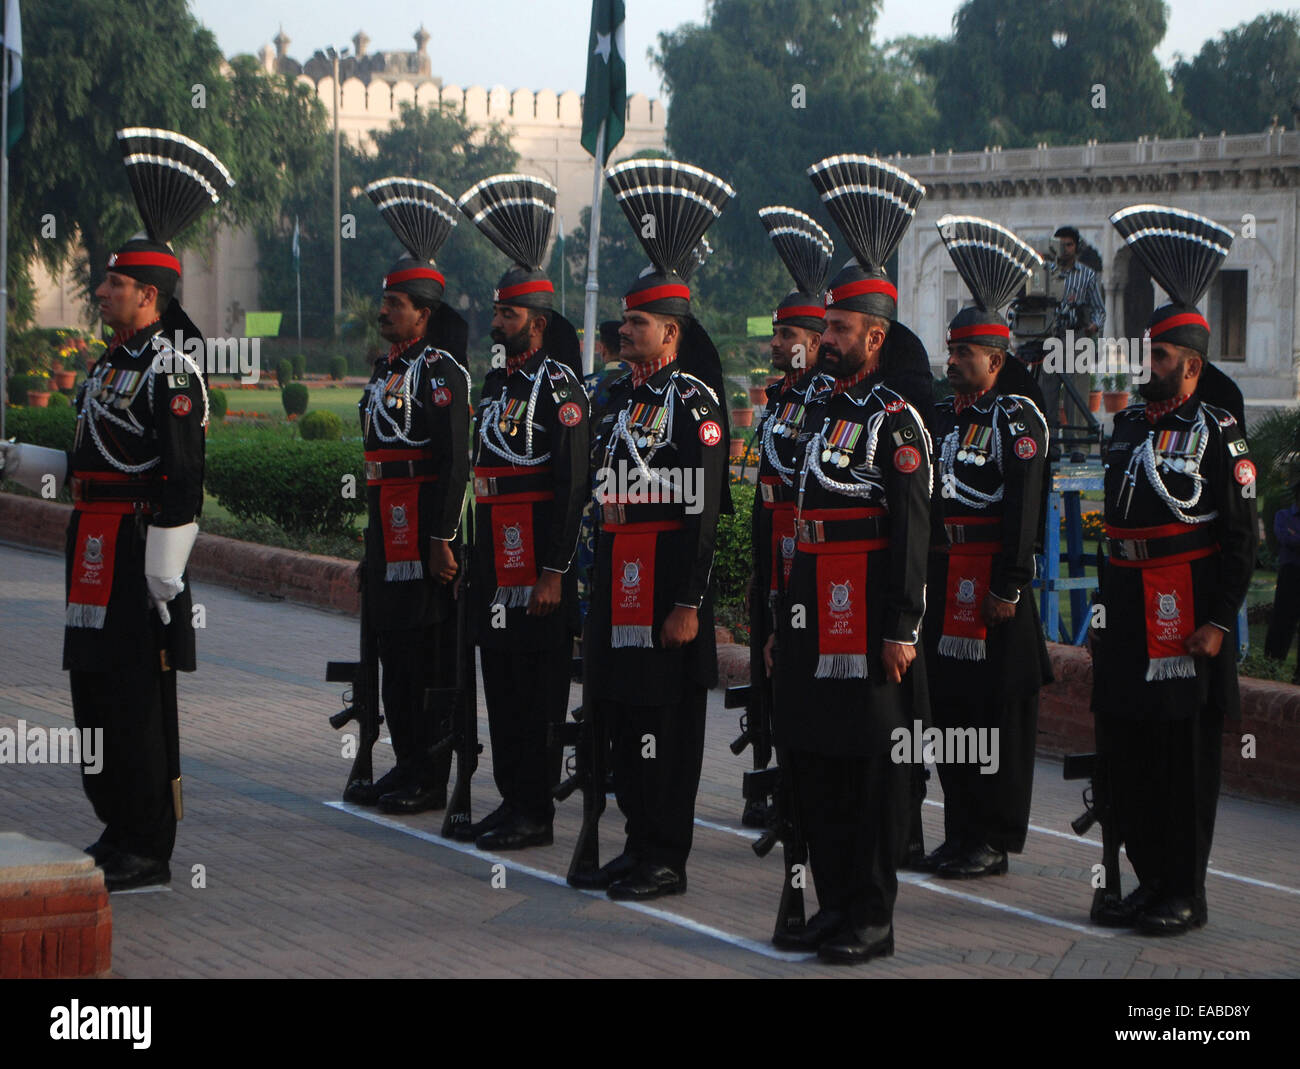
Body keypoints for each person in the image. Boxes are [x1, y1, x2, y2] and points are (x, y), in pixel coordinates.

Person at [0, 128, 232, 891]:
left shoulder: (172, 369)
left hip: (136, 551)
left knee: (136, 696)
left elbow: (183, 476)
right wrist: (20, 461)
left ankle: (149, 842)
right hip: (91, 544)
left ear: (148, 295)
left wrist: (167, 568)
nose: (100, 293)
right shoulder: (106, 367)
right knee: (93, 691)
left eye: (113, 283)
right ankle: (116, 822)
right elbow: (91, 464)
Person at [766, 154, 932, 963]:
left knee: (869, 766)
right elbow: (797, 520)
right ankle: (833, 904)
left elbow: (911, 531)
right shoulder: (817, 411)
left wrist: (902, 625)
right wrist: (780, 619)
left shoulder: (896, 420)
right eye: (823, 328)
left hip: (868, 617)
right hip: (812, 610)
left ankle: (871, 914)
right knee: (818, 758)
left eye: (836, 330)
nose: (822, 341)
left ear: (875, 335)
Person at [1090, 203, 1256, 934]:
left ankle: (1184, 892)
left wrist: (1220, 619)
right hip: (1130, 613)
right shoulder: (1128, 425)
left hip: (1188, 615)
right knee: (1131, 755)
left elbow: (1242, 537)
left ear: (1191, 365)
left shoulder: (1220, 434)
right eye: (1146, 354)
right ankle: (1149, 879)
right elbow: (1113, 530)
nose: (1147, 366)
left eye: (1160, 357)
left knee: (1182, 762)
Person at [572, 157, 734, 899]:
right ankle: (636, 843)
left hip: (666, 586)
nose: (624, 329)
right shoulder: (617, 398)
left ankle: (665, 855)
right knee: (622, 716)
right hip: (618, 583)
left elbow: (703, 510)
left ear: (669, 332)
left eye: (637, 321)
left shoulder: (694, 403)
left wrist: (689, 601)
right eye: (625, 319)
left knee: (665, 727)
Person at [455, 174, 589, 850]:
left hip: (538, 568)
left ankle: (536, 811)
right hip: (495, 566)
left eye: (507, 315)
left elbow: (571, 485)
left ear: (535, 321)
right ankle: (511, 800)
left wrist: (554, 570)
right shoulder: (496, 383)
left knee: (537, 693)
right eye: (496, 313)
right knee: (500, 684)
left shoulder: (559, 388)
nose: (496, 323)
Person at [920, 215, 1054, 879]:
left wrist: (1009, 583)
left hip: (994, 594)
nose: (952, 362)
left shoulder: (1017, 418)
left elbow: (1025, 506)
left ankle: (992, 839)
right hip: (945, 585)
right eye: (950, 351)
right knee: (951, 713)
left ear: (995, 362)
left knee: (995, 718)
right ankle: (959, 830)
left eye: (964, 354)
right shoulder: (941, 417)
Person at [345, 178, 471, 816]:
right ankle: (404, 761)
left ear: (423, 312)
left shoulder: (442, 373)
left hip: (424, 535)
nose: (385, 311)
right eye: (385, 301)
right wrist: (371, 547)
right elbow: (376, 466)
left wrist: (442, 537)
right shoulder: (385, 370)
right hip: (387, 533)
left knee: (426, 657)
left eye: (396, 303)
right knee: (392, 654)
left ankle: (429, 773)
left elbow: (454, 463)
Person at [740, 206, 834, 827]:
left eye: (786, 335)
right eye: (775, 334)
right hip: (772, 545)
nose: (775, 344)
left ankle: (800, 790)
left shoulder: (825, 399)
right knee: (767, 666)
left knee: (799, 663)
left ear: (815, 342)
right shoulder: (781, 398)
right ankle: (774, 778)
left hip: (805, 546)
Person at [1040, 225, 1106, 450]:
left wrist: (1094, 325)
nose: (1065, 249)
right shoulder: (1045, 273)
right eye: (1061, 245)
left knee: (1076, 395)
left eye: (1069, 244)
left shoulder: (1087, 275)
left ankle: (1077, 446)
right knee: (1046, 394)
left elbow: (1099, 309)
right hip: (1049, 338)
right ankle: (1049, 445)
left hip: (1077, 337)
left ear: (1076, 247)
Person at [1264, 475, 1300, 679]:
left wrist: (1296, 537)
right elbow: (1285, 538)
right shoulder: (1283, 516)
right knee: (1282, 620)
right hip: (1290, 573)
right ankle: (1271, 666)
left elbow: (1293, 539)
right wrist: (1293, 539)